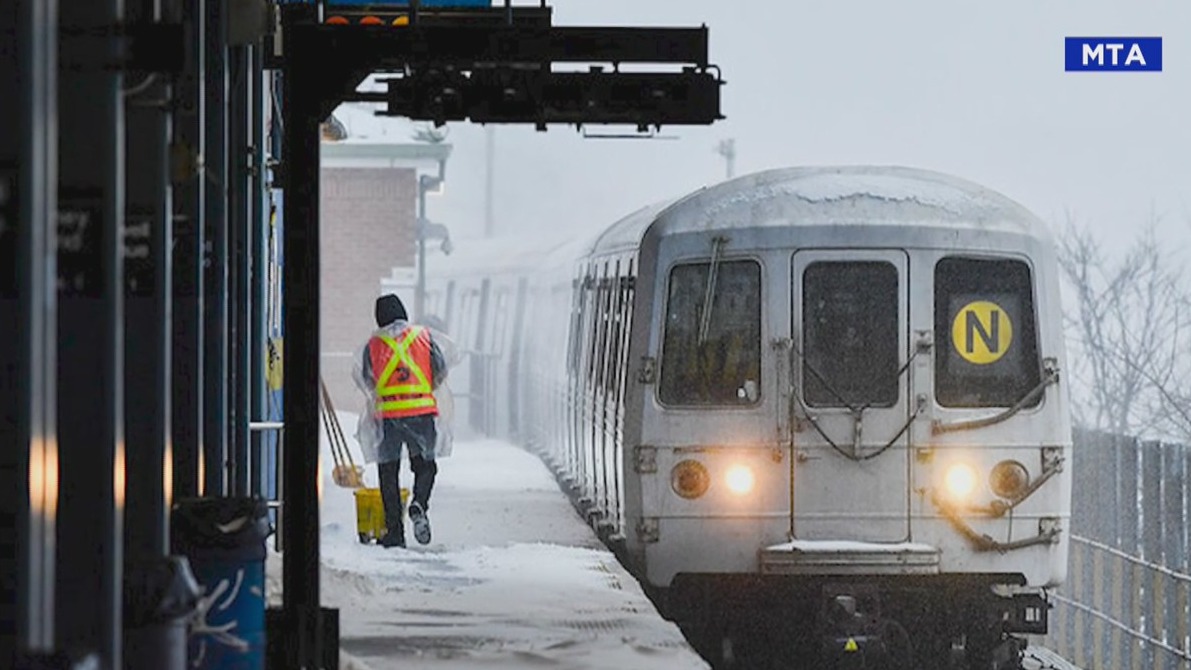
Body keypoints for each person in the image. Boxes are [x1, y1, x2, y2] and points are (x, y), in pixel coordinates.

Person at [357, 294, 447, 548]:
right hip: (422, 414)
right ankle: (419, 503)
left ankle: (394, 534)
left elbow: (367, 379)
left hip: (388, 418)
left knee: (388, 474)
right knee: (425, 466)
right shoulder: (423, 337)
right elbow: (439, 369)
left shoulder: (373, 345)